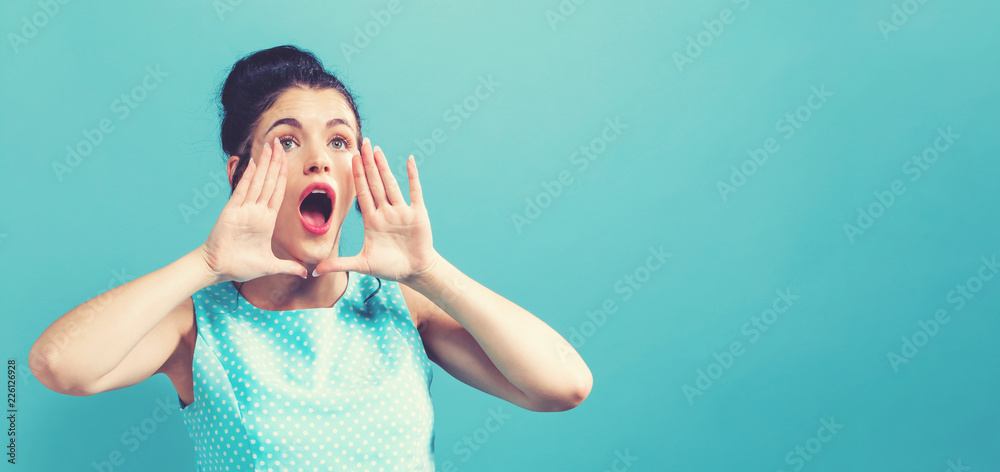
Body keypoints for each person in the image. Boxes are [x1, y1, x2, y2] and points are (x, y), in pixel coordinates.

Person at [28, 45, 592, 471]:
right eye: (289, 141)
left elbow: (563, 386)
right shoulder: (197, 326)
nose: (320, 160)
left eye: (341, 141)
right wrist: (208, 263)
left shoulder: (406, 307)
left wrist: (430, 272)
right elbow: (58, 365)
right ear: (239, 174)